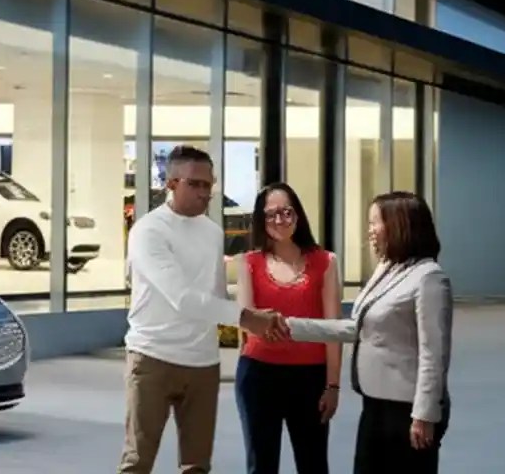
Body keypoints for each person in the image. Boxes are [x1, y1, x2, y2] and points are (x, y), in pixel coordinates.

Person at [120, 145, 287, 474]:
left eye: (208, 185)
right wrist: (248, 318)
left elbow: (214, 294)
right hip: (152, 357)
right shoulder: (148, 231)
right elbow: (181, 297)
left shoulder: (212, 232)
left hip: (202, 363)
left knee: (197, 466)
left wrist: (243, 329)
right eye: (194, 184)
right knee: (137, 463)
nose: (204, 193)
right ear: (171, 184)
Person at [273, 191, 452, 474]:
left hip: (408, 410)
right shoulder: (388, 268)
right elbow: (356, 327)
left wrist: (424, 415)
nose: (369, 232)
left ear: (399, 225)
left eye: (374, 223)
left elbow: (434, 356)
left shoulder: (429, 278)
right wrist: (289, 326)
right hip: (376, 404)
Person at [234, 183, 341, 474]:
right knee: (261, 464)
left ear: (298, 215)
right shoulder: (249, 262)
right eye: (270, 215)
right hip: (259, 375)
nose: (279, 221)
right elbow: (249, 321)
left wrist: (333, 385)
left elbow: (332, 329)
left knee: (314, 463)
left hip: (311, 377)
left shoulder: (325, 262)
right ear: (260, 220)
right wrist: (262, 325)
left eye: (286, 212)